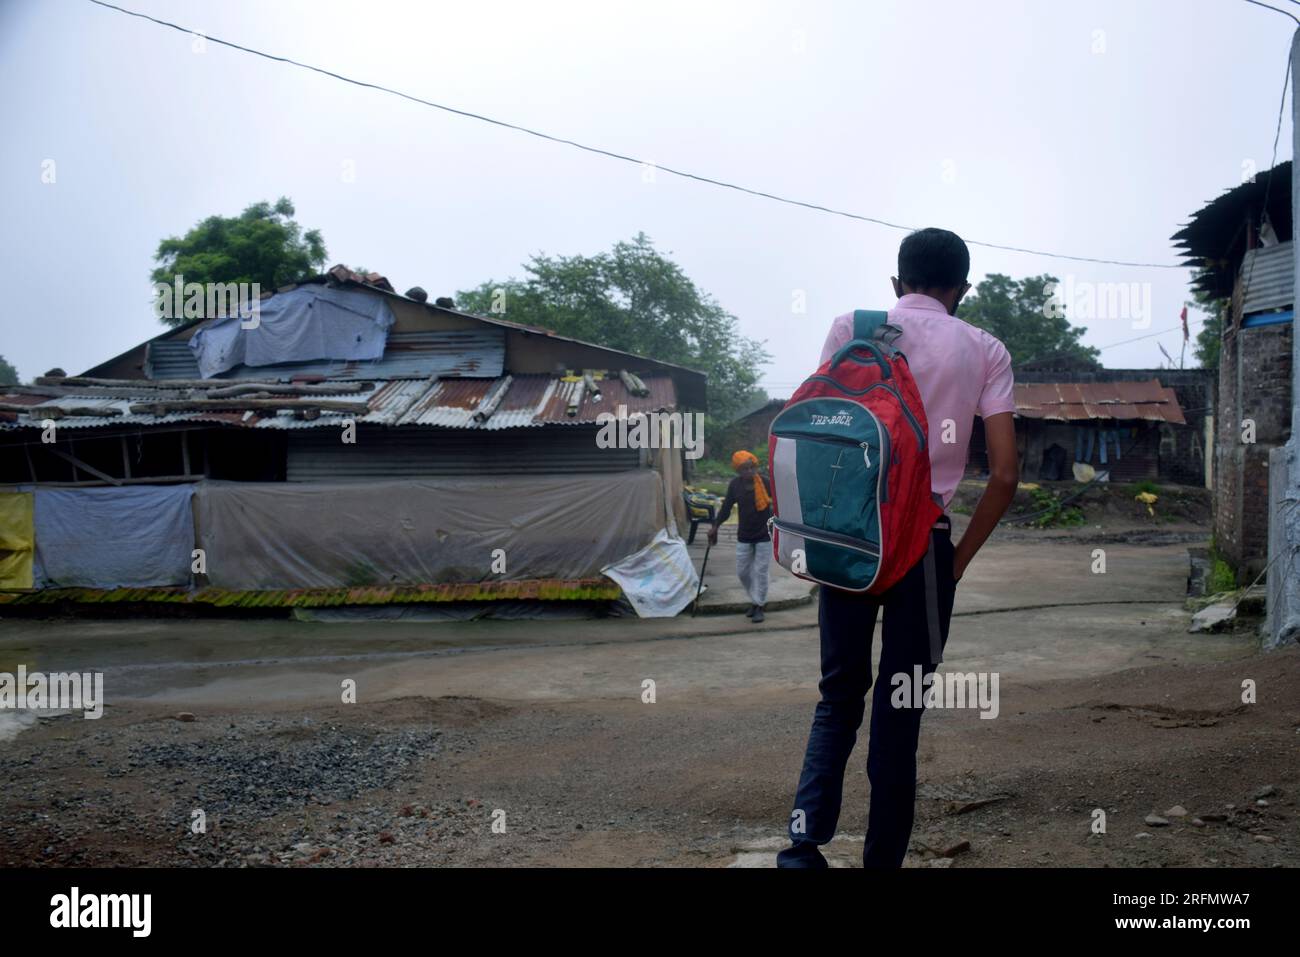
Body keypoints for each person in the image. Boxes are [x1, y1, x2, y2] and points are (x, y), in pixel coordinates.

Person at [776, 227, 1020, 868]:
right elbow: (1004, 475)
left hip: (850, 540)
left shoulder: (851, 327)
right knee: (901, 706)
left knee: (838, 694)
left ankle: (804, 845)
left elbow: (823, 431)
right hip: (926, 550)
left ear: (896, 283)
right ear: (962, 291)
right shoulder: (986, 349)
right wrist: (954, 560)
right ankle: (881, 862)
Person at [708, 450, 773, 623]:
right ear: (738, 470)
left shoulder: (766, 483)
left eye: (752, 468)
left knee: (760, 571)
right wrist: (715, 526)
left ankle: (759, 605)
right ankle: (754, 599)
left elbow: (781, 503)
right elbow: (726, 508)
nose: (750, 471)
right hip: (744, 534)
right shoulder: (735, 485)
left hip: (764, 533)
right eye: (745, 469)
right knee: (742, 572)